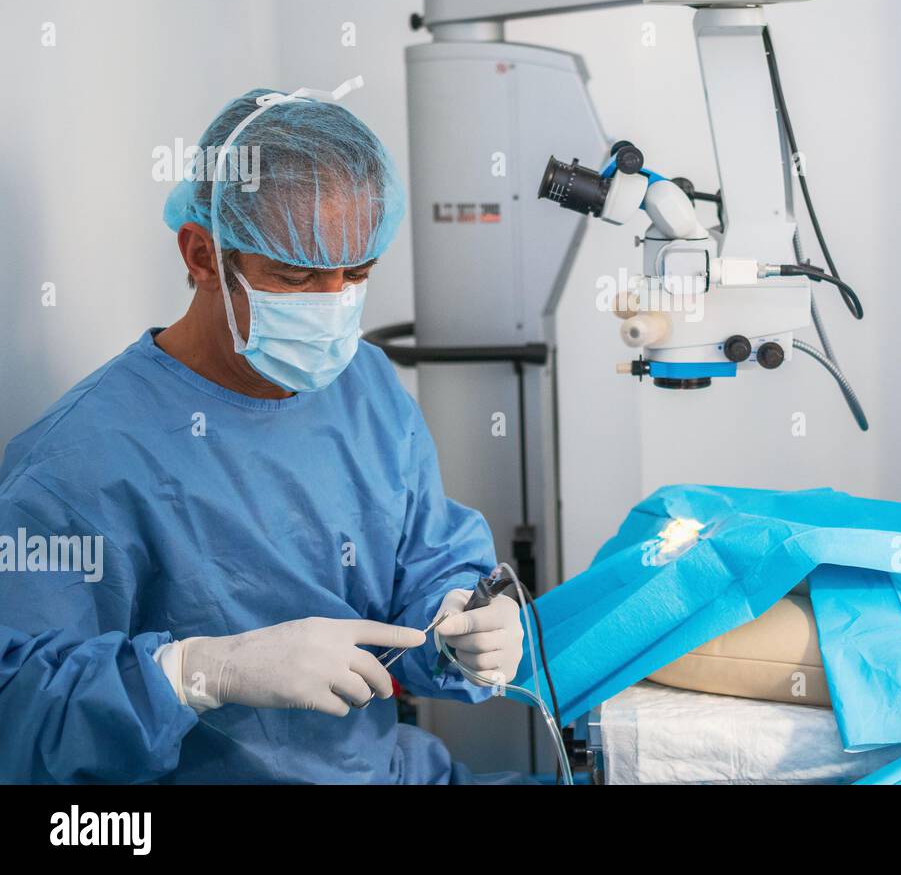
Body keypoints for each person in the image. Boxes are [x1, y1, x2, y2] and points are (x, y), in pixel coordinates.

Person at [0, 83, 523, 783]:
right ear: (200, 256)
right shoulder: (79, 461)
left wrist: (459, 618)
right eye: (297, 275)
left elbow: (427, 560)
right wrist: (197, 672)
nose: (334, 304)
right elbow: (22, 718)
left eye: (357, 272)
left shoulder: (364, 383)